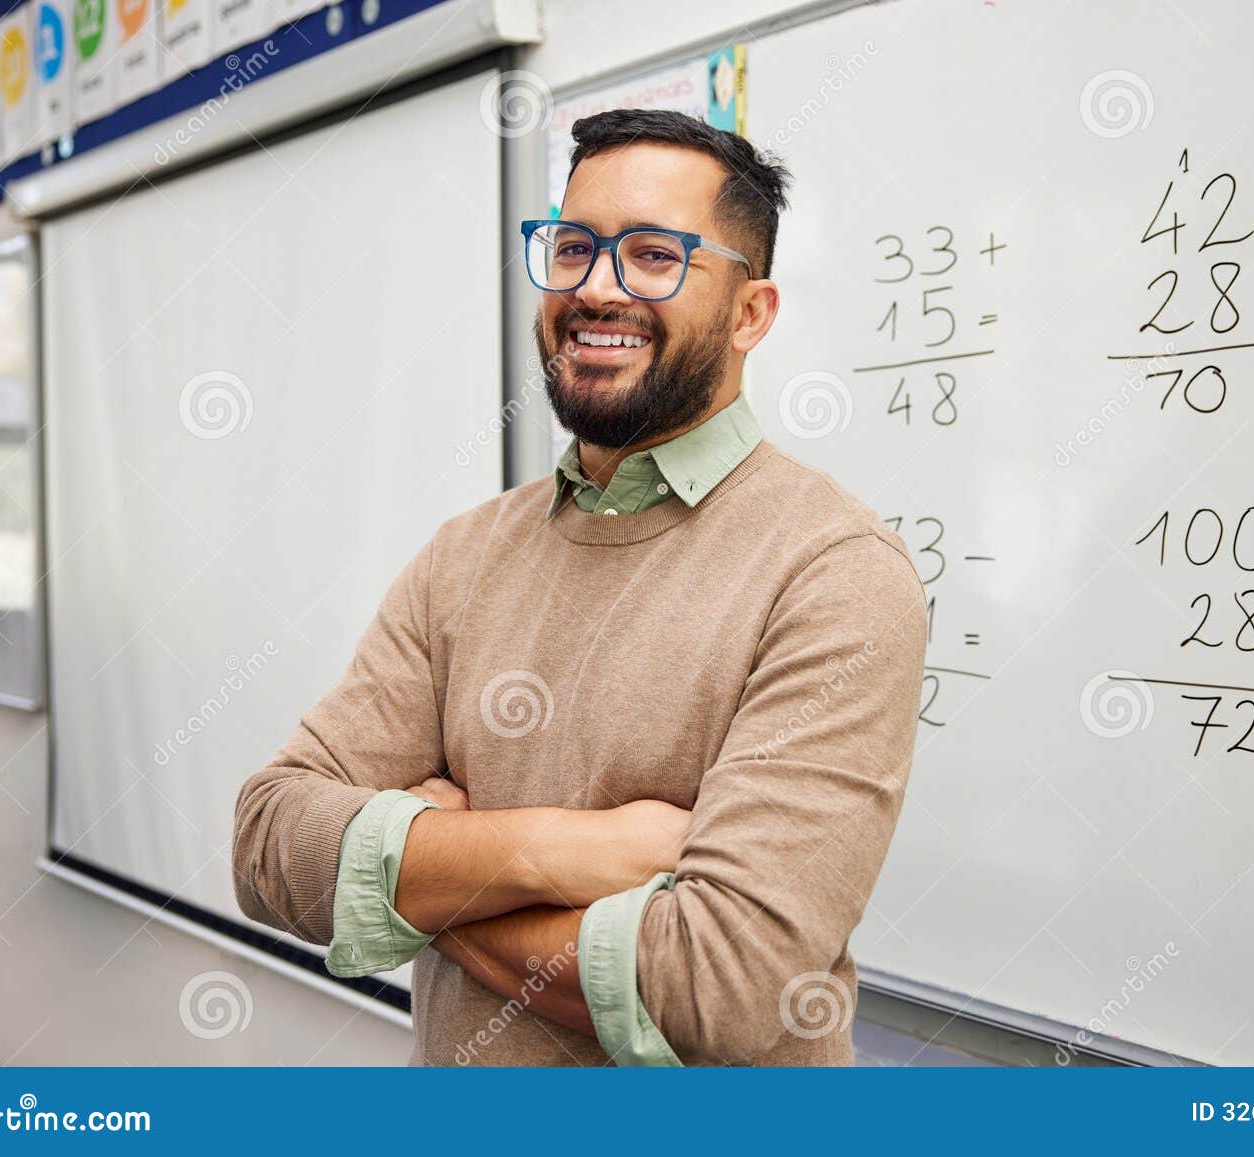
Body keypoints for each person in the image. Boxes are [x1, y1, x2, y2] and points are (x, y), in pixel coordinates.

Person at [232, 107, 927, 1066]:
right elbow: (272, 845)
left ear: (749, 314)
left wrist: (425, 872)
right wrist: (554, 851)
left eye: (654, 256)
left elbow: (714, 986)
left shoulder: (834, 572)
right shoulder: (463, 555)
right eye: (572, 248)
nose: (597, 289)